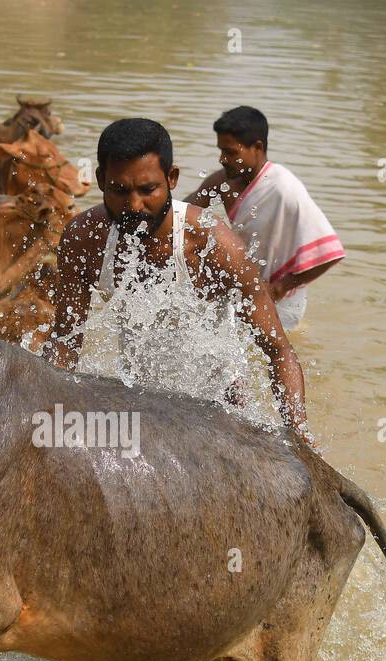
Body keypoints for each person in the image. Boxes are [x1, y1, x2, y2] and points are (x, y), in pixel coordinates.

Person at [45, 118, 314, 446]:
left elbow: (277, 349)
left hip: (219, 405)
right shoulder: (84, 239)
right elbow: (65, 340)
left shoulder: (212, 243)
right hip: (142, 400)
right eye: (119, 190)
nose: (134, 205)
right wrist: (48, 413)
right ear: (101, 180)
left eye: (148, 190)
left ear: (171, 179)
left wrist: (298, 436)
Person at [185, 106, 344, 332]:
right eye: (221, 151)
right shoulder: (223, 182)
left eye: (231, 153)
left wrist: (277, 290)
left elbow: (330, 253)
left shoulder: (284, 188)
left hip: (280, 298)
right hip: (245, 288)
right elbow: (183, 213)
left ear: (257, 147)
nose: (222, 159)